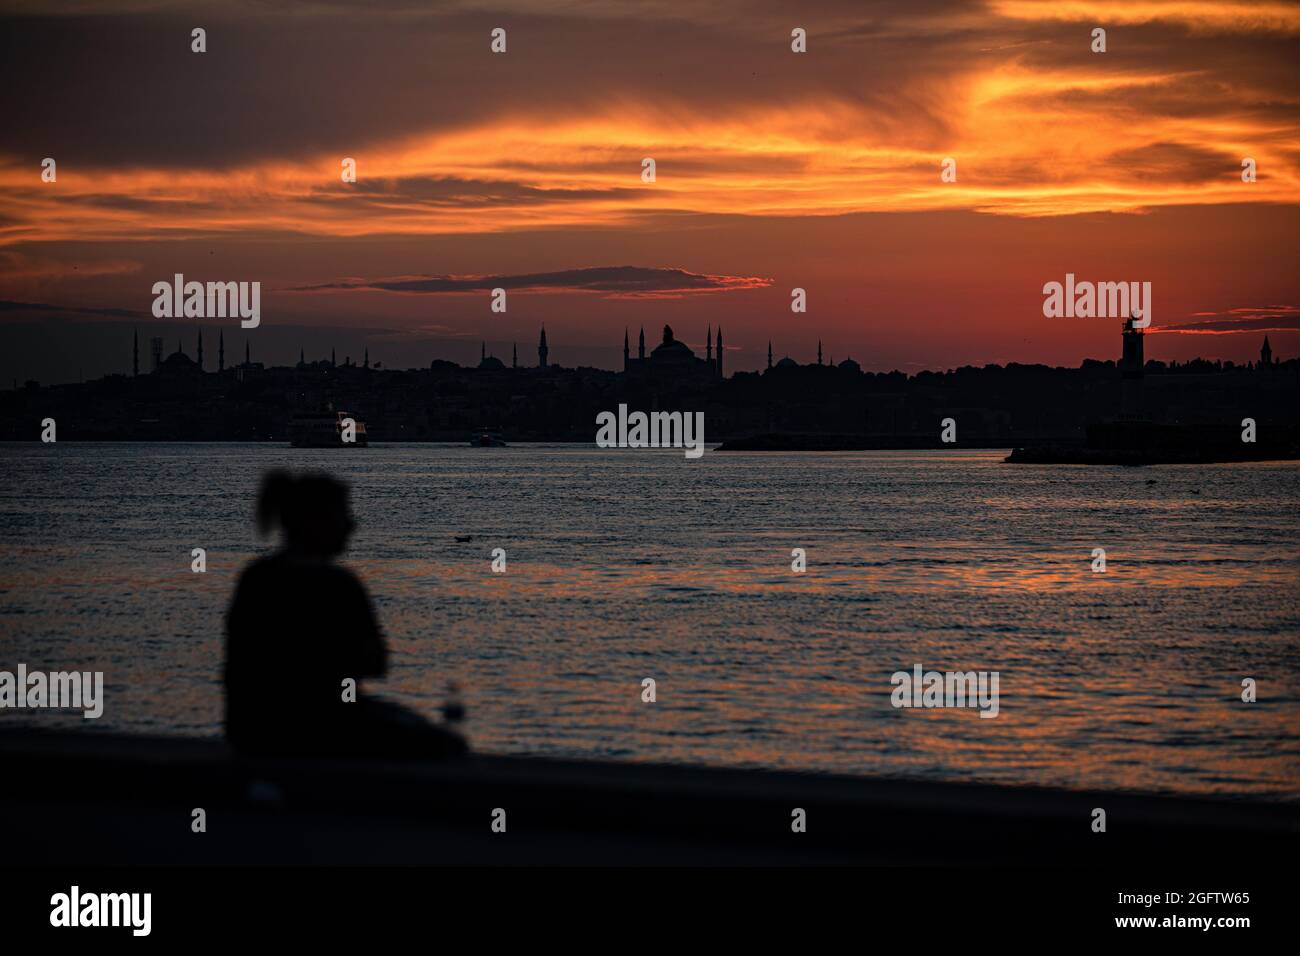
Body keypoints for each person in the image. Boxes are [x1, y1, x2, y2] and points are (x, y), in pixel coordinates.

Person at [224, 470, 466, 759]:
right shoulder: (338, 584)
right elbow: (375, 663)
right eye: (341, 514)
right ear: (313, 521)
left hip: (253, 731)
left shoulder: (256, 578)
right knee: (446, 745)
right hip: (326, 729)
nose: (351, 525)